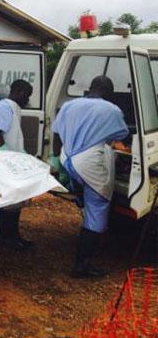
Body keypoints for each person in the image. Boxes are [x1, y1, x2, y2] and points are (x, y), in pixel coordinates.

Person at [50, 76, 128, 278]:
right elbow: (121, 136)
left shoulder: (69, 105)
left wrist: (56, 159)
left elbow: (57, 134)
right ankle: (82, 264)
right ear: (109, 92)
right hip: (90, 161)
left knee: (84, 198)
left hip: (67, 157)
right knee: (99, 207)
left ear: (90, 87)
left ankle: (84, 252)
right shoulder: (111, 110)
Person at [0, 79, 35, 251]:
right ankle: (6, 238)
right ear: (20, 92)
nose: (28, 101)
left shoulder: (12, 108)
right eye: (28, 97)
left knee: (14, 199)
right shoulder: (4, 107)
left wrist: (24, 157)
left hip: (8, 158)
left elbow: (14, 136)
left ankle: (13, 236)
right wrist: (6, 156)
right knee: (8, 199)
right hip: (0, 159)